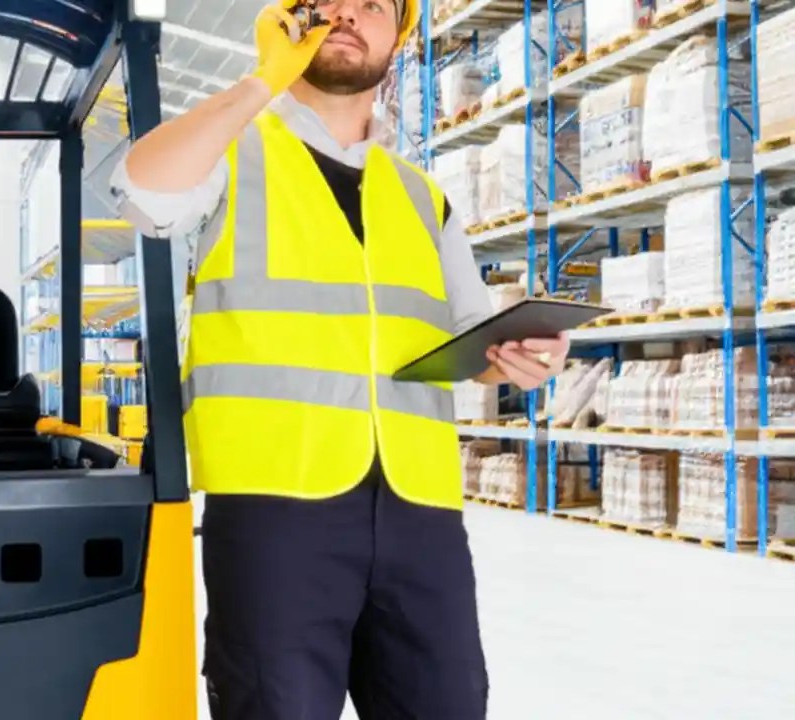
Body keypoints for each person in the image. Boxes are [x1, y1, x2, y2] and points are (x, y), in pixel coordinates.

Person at [109, 1, 569, 718]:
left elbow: (474, 338)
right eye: (333, 1)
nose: (352, 14)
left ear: (399, 37)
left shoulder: (422, 196)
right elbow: (143, 191)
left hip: (422, 513)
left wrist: (517, 356)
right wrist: (265, 78)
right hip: (275, 507)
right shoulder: (234, 152)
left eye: (376, 6)